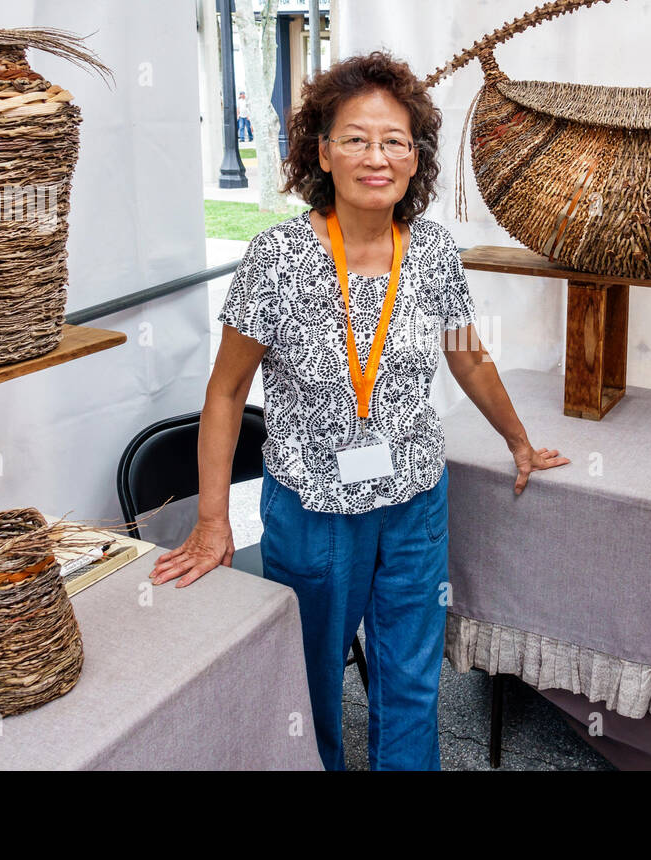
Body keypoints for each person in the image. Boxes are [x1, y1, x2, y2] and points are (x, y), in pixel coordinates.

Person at [149, 50, 569, 771]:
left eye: (395, 141)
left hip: (414, 502)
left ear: (415, 158)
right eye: (356, 138)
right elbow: (224, 393)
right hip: (314, 512)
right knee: (309, 679)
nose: (377, 156)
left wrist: (520, 443)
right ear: (323, 152)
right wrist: (214, 522)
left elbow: (467, 356)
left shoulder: (433, 251)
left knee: (411, 678)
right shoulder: (276, 258)